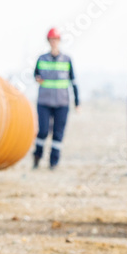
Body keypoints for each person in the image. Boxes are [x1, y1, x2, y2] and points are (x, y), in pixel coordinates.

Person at [32, 27, 79, 169]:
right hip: (44, 102)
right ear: (48, 41)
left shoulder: (66, 60)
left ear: (59, 41)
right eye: (51, 39)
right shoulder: (41, 59)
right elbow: (36, 75)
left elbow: (73, 81)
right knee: (43, 131)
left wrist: (77, 101)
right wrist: (37, 78)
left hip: (62, 102)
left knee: (58, 134)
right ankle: (37, 156)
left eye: (56, 39)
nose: (54, 42)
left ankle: (53, 163)